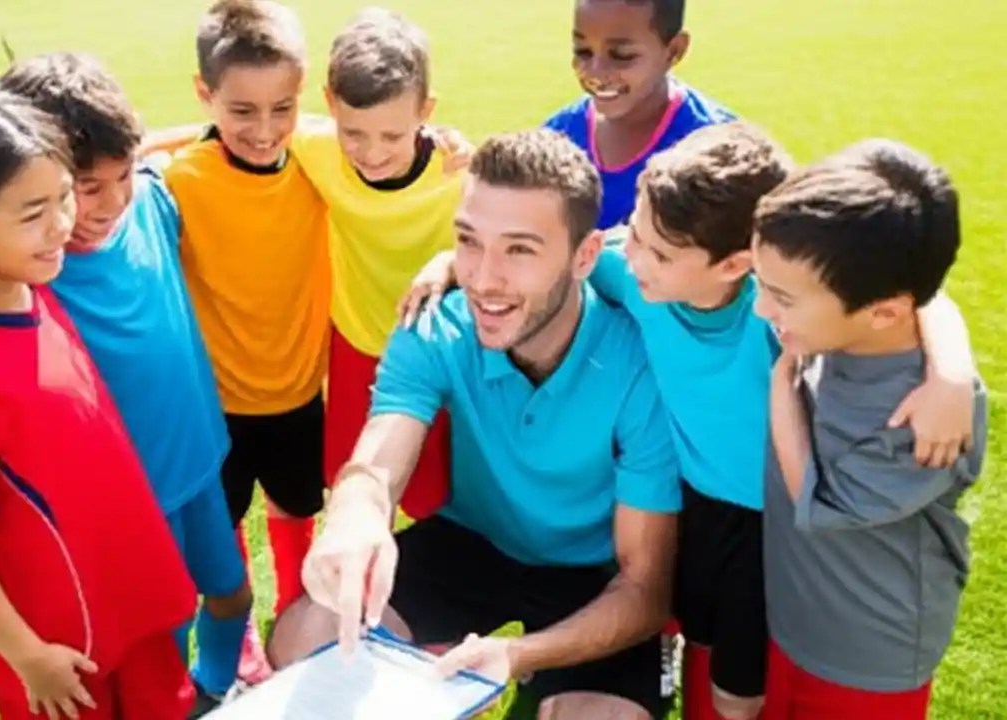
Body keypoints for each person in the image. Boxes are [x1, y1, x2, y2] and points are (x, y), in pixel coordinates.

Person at [398, 123, 979, 720]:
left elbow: (894, 282)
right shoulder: (630, 270)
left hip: (775, 524)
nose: (633, 253)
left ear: (735, 264)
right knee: (700, 658)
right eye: (638, 236)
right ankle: (666, 667)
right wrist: (453, 260)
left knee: (744, 690)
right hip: (695, 508)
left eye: (658, 251)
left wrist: (952, 371)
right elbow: (542, 264)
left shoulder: (777, 312)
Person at [0, 53, 254, 713]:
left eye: (66, 197)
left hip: (157, 546)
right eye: (42, 206)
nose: (67, 221)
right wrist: (24, 653)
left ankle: (217, 691)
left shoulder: (31, 276)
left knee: (197, 639)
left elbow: (139, 154)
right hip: (75, 623)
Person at [272, 129, 681, 720]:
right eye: (469, 242)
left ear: (584, 256)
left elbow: (644, 589)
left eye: (519, 250)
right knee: (307, 634)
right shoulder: (435, 323)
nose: (483, 279)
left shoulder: (639, 362)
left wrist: (517, 654)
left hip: (592, 573)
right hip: (474, 543)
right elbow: (376, 462)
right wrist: (354, 516)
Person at [754, 140, 988, 720]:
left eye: (779, 298)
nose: (760, 310)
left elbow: (820, 507)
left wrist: (782, 385)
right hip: (794, 620)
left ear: (885, 311)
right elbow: (925, 298)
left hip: (868, 661)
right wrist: (951, 359)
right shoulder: (845, 313)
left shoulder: (923, 420)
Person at [169, 3, 330, 698]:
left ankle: (296, 622)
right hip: (218, 407)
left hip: (300, 392)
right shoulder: (179, 182)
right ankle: (233, 650)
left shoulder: (326, 159)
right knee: (218, 532)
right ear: (204, 94)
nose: (264, 130)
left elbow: (396, 147)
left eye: (282, 108)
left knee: (298, 510)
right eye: (242, 110)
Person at [291, 7, 464, 521]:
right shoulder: (317, 146)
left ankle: (420, 591)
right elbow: (227, 128)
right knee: (356, 486)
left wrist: (451, 260)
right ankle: (361, 592)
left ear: (425, 110)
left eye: (392, 136)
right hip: (356, 341)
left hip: (434, 351)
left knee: (432, 498)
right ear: (329, 105)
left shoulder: (456, 170)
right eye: (354, 133)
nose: (370, 153)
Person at [545, 0, 732, 230]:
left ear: (674, 50)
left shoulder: (719, 153)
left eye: (621, 55)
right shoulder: (557, 139)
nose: (596, 72)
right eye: (583, 51)